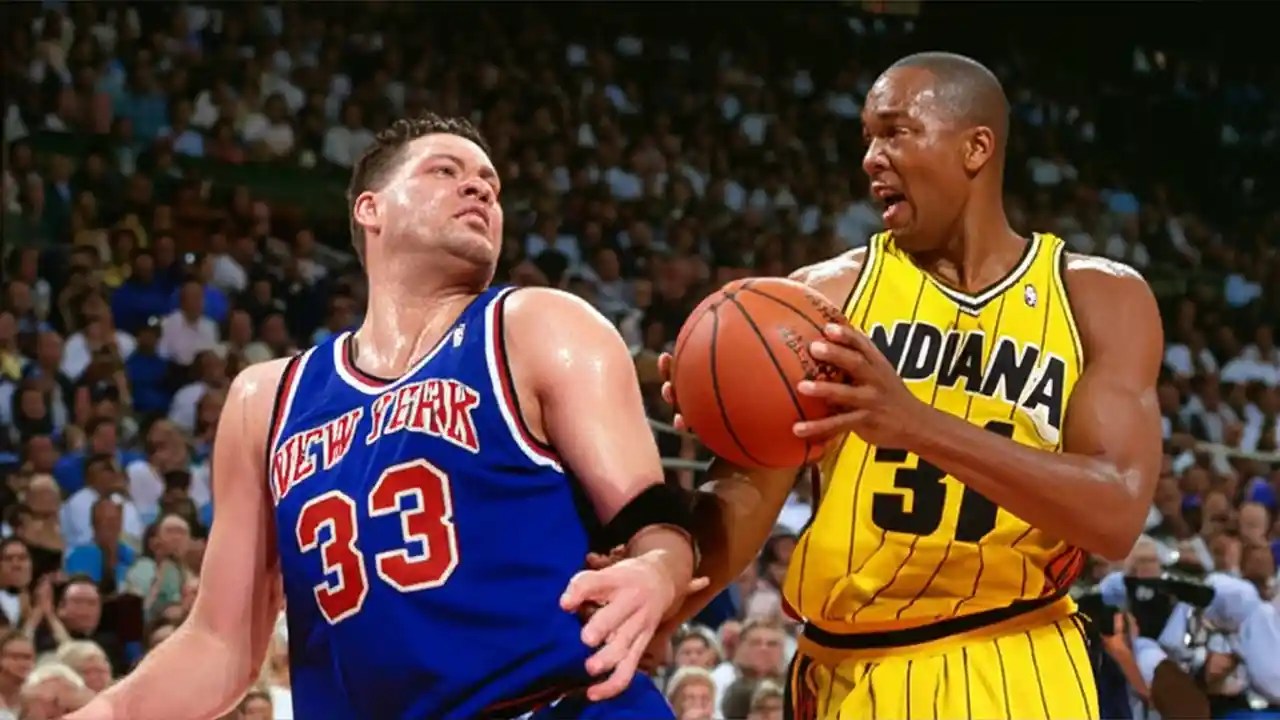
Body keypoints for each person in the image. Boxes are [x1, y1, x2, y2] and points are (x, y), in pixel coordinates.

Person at [70, 114, 703, 720]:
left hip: (559, 705)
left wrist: (658, 570)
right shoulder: (264, 401)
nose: (479, 186)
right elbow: (219, 643)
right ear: (369, 209)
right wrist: (108, 710)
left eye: (491, 184)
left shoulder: (536, 327)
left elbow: (650, 516)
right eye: (443, 171)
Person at [658, 52, 1164, 719]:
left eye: (894, 131)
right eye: (867, 136)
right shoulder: (820, 299)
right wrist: (662, 586)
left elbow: (1117, 513)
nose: (871, 157)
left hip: (1020, 659)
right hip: (848, 675)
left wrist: (915, 423)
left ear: (976, 147)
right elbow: (747, 493)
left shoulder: (1099, 297)